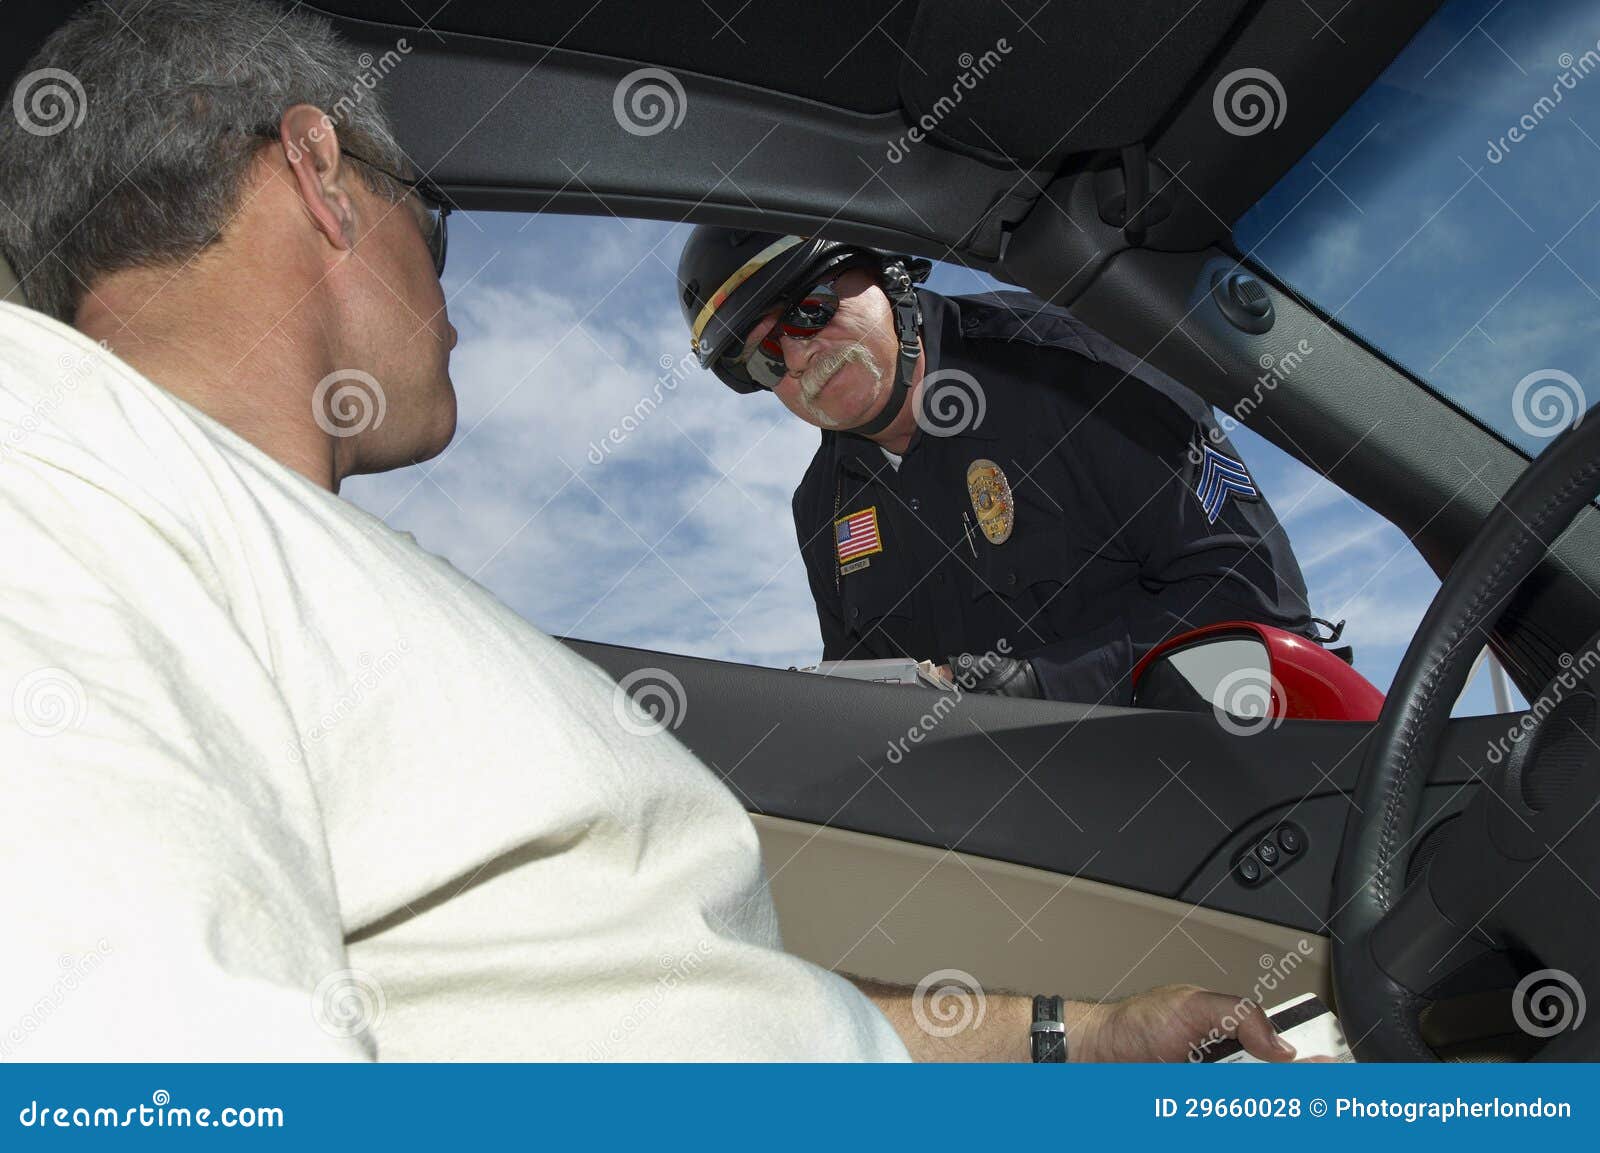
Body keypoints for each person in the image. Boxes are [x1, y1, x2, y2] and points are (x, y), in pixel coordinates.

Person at [0, 0, 1301, 1063]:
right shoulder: (53, 481)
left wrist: (1079, 1035)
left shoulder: (279, 562)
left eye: (808, 307)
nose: (795, 358)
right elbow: (133, 1059)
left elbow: (672, 1004)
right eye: (436, 224)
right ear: (322, 176)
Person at [676, 228, 1316, 703]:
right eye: (764, 358)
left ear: (891, 274)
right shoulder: (820, 509)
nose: (800, 356)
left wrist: (1040, 684)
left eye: (809, 311)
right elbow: (867, 695)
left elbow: (1258, 599)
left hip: (1193, 789)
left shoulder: (1071, 371)